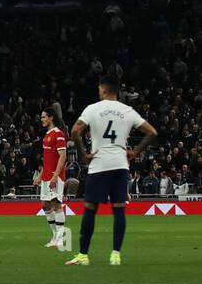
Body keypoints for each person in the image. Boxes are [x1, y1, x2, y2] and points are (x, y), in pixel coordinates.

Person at [65, 74, 157, 267]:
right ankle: (115, 255)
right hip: (120, 164)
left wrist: (83, 155)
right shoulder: (127, 110)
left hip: (99, 164)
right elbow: (152, 132)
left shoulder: (93, 109)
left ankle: (83, 255)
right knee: (119, 209)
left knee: (90, 209)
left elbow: (74, 131)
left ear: (104, 89)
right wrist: (136, 151)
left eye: (99, 89)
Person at [34, 106, 70, 251]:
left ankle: (61, 239)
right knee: (45, 205)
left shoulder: (58, 134)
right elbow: (47, 160)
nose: (41, 119)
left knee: (56, 204)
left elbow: (63, 156)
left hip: (56, 176)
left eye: (43, 117)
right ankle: (55, 236)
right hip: (47, 176)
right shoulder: (47, 135)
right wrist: (40, 176)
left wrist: (55, 176)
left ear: (51, 118)